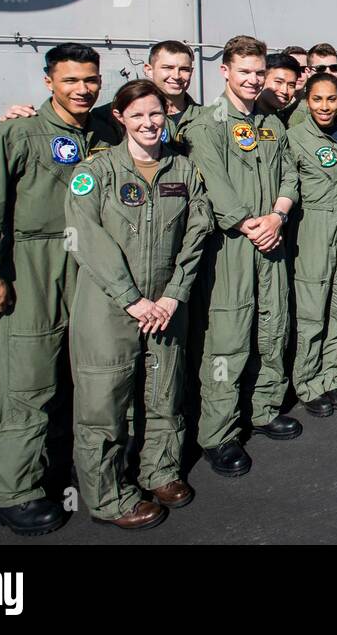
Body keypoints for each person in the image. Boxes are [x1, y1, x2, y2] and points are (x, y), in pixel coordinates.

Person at [0, 42, 120, 536]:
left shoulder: (104, 133)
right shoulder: (17, 132)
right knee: (25, 380)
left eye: (90, 79)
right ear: (49, 82)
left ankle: (59, 471)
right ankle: (15, 492)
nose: (82, 89)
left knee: (77, 375)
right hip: (32, 265)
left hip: (87, 264)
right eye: (70, 80)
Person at [64, 80, 212, 529]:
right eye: (138, 115)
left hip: (167, 303)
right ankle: (109, 497)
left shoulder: (183, 171)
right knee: (103, 403)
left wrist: (171, 295)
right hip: (109, 307)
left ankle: (161, 471)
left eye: (156, 114)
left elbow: (197, 232)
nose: (149, 123)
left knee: (164, 389)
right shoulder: (97, 171)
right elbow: (85, 238)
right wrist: (132, 299)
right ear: (121, 118)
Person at [185, 36, 300, 478]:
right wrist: (250, 224)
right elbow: (214, 182)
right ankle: (219, 433)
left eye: (258, 73)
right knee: (228, 339)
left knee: (273, 324)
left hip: (272, 237)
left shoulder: (272, 124)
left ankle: (264, 407)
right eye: (244, 72)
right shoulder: (207, 124)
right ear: (225, 72)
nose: (252, 80)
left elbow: (291, 173)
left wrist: (277, 215)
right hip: (233, 245)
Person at [287, 72, 337, 416]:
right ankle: (307, 382)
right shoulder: (293, 138)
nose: (324, 106)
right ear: (307, 100)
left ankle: (331, 374)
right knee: (312, 309)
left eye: (331, 99)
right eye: (317, 99)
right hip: (313, 227)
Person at [0, 40, 200, 152]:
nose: (176, 76)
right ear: (148, 69)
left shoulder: (206, 117)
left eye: (184, 69)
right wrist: (20, 120)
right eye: (167, 67)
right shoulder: (107, 119)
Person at [259, 53, 303, 123]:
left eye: (291, 85)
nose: (285, 91)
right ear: (262, 79)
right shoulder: (246, 117)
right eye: (279, 82)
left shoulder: (284, 119)